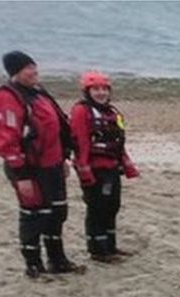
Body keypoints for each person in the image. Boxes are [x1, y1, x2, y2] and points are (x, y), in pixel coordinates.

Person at [0, 51, 82, 278]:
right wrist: (21, 175)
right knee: (34, 214)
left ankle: (57, 260)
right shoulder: (6, 97)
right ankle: (33, 265)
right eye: (28, 69)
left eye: (34, 67)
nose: (33, 72)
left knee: (57, 212)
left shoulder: (38, 93)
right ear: (15, 72)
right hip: (30, 168)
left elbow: (59, 127)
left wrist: (64, 159)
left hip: (52, 164)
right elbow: (5, 139)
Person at [69, 71, 140, 263]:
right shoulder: (81, 111)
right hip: (95, 168)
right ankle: (98, 250)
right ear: (87, 91)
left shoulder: (112, 112)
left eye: (104, 89)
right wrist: (84, 170)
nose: (101, 93)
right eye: (96, 89)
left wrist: (127, 165)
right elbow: (80, 142)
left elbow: (119, 142)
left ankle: (110, 245)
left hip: (111, 167)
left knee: (112, 206)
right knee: (97, 209)